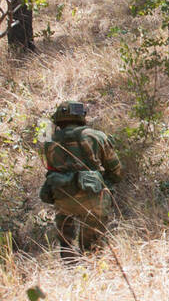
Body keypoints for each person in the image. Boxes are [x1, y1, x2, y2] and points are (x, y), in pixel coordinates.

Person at [39, 101, 123, 259]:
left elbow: (49, 170)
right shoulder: (97, 136)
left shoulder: (49, 141)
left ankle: (69, 268)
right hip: (93, 200)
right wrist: (103, 184)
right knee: (92, 249)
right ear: (81, 116)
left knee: (67, 246)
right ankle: (91, 272)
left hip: (63, 198)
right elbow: (116, 172)